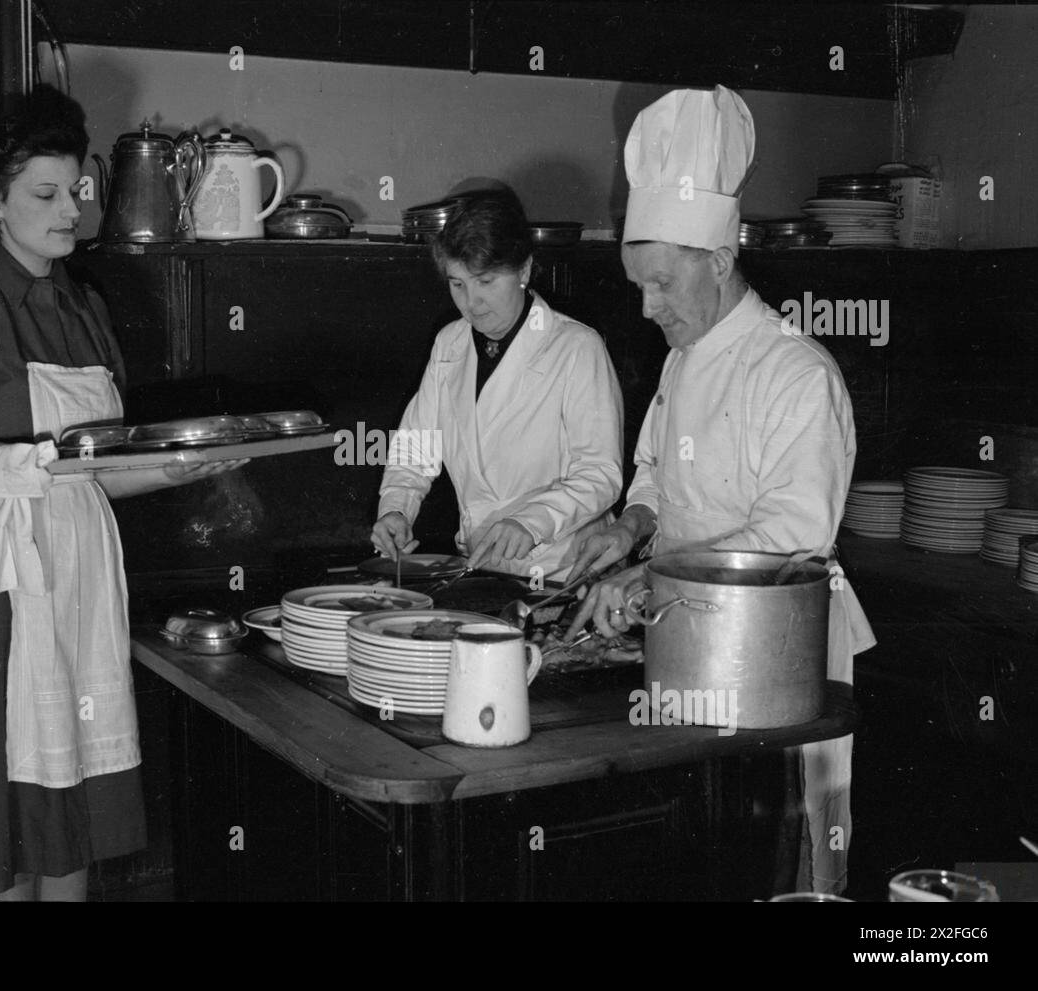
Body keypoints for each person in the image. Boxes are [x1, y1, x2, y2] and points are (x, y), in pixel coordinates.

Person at [0, 86, 246, 901]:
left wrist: (182, 467)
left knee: (70, 796)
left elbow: (93, 469)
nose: (71, 209)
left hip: (85, 567)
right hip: (0, 581)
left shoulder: (88, 307)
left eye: (77, 189)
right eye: (46, 193)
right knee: (2, 804)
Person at [566, 85, 875, 894]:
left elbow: (794, 535)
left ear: (721, 259)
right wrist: (627, 528)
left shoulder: (798, 374)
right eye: (637, 282)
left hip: (785, 667)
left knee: (787, 864)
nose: (646, 305)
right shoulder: (682, 354)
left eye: (662, 283)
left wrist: (657, 575)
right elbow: (658, 476)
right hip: (689, 647)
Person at [370, 190, 624, 582]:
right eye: (458, 284)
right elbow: (416, 450)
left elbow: (600, 473)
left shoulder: (576, 346)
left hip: (564, 570)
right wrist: (396, 510)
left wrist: (531, 522)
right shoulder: (450, 343)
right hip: (480, 564)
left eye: (485, 281)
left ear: (523, 271)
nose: (472, 303)